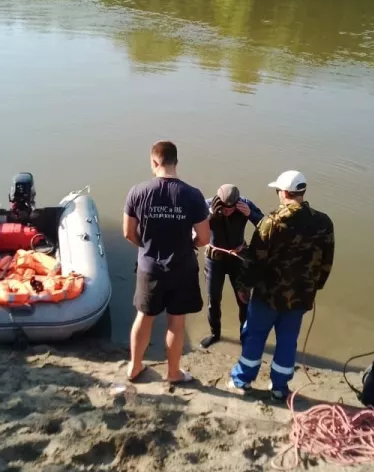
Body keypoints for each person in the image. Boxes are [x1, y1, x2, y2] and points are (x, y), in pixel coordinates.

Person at [228, 170, 334, 400]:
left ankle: (242, 380)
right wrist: (314, 288)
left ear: (284, 192)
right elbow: (327, 262)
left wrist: (243, 286)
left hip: (267, 296)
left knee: (255, 335)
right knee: (287, 340)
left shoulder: (272, 222)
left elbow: (255, 260)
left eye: (278, 191)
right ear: (301, 192)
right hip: (300, 298)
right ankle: (279, 387)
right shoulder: (323, 222)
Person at [123, 140, 210, 385]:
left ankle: (134, 366)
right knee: (176, 321)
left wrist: (147, 246)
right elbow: (204, 237)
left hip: (149, 266)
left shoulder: (137, 192)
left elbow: (128, 232)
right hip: (182, 267)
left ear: (154, 162)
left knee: (144, 316)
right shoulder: (192, 195)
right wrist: (189, 242)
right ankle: (173, 373)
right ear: (176, 163)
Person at [199, 184, 263, 349]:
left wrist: (250, 214)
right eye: (224, 208)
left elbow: (265, 226)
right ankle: (215, 333)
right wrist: (210, 215)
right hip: (215, 260)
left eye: (231, 208)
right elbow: (194, 230)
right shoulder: (207, 205)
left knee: (243, 300)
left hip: (239, 257)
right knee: (213, 299)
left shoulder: (244, 204)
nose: (228, 211)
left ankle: (245, 335)